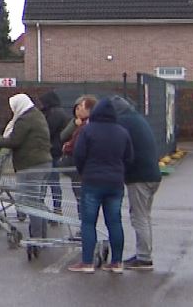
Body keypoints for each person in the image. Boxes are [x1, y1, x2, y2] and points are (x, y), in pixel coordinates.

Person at [68, 98, 134, 274]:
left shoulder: (88, 131)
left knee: (88, 222)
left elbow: (79, 154)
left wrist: (84, 172)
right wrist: (120, 172)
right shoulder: (122, 132)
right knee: (114, 221)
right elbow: (129, 157)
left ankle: (87, 262)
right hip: (115, 183)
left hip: (92, 181)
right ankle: (117, 262)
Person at [111, 96, 163, 272]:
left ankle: (144, 258)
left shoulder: (123, 122)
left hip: (139, 176)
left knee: (139, 217)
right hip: (152, 174)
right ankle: (143, 254)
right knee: (145, 216)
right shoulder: (137, 119)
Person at [0, 93, 52, 240]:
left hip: (30, 165)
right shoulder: (37, 115)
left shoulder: (25, 119)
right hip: (44, 162)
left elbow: (15, 140)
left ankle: (36, 237)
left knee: (30, 203)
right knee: (37, 201)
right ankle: (41, 234)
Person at [38, 91, 70, 213]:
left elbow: (47, 130)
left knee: (49, 181)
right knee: (52, 181)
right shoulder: (57, 113)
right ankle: (56, 207)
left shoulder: (55, 114)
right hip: (55, 150)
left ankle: (53, 207)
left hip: (51, 151)